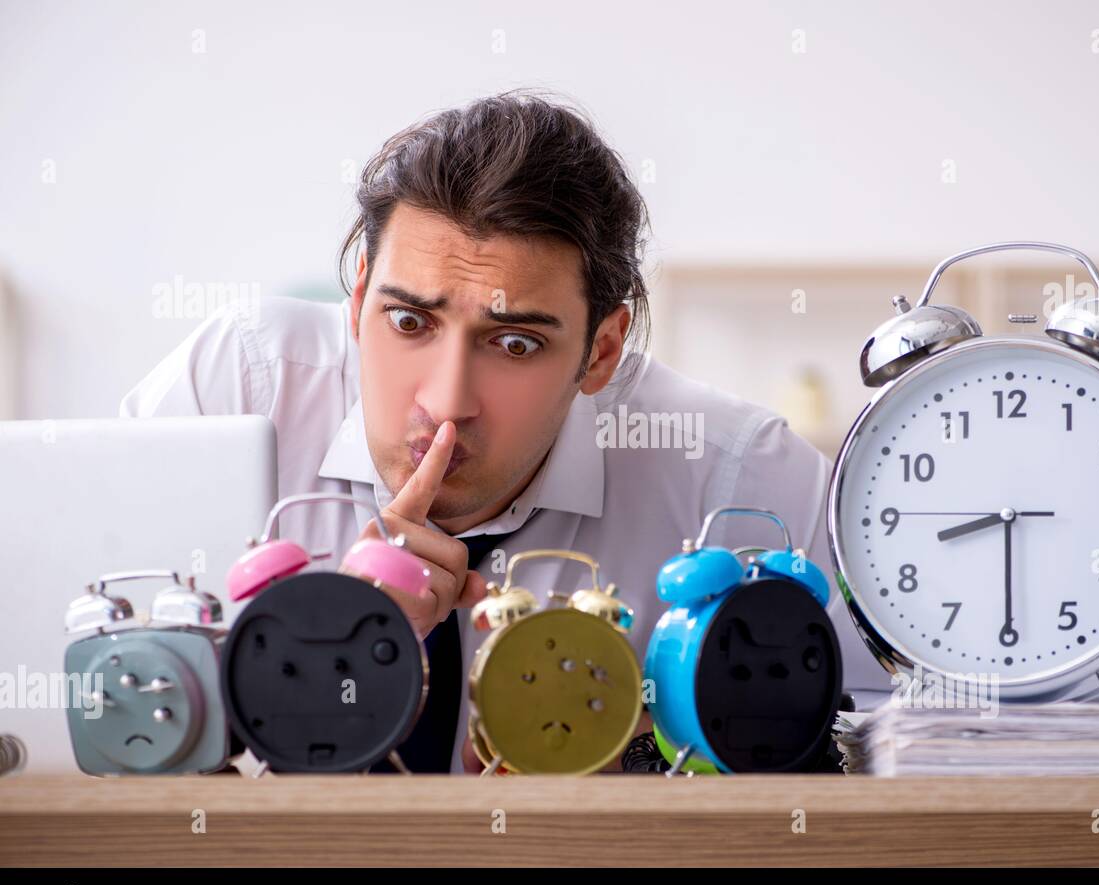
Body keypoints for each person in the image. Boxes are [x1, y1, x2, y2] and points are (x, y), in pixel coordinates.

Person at [121, 91, 891, 773]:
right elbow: (70, 705)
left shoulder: (737, 473)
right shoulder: (237, 388)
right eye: (409, 320)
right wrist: (318, 658)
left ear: (601, 351)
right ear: (357, 302)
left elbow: (892, 744)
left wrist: (633, 763)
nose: (447, 402)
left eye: (515, 343)